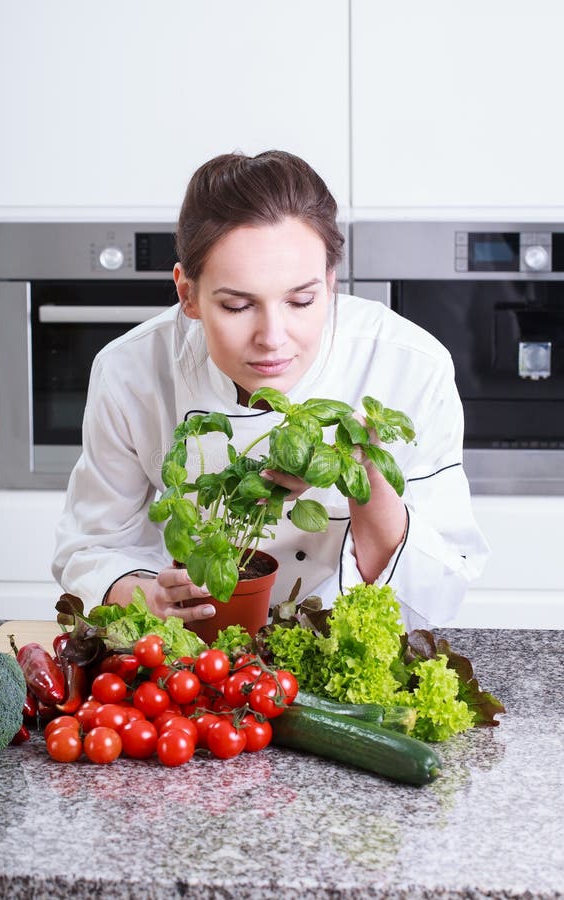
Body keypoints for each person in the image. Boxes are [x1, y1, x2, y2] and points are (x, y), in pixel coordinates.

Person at [52, 150, 489, 632]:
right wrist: (147, 594)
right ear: (188, 295)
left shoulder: (408, 366)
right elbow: (93, 546)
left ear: (329, 282)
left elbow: (438, 586)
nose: (273, 338)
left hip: (337, 643)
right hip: (202, 642)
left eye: (302, 300)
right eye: (238, 306)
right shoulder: (130, 371)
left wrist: (361, 467)